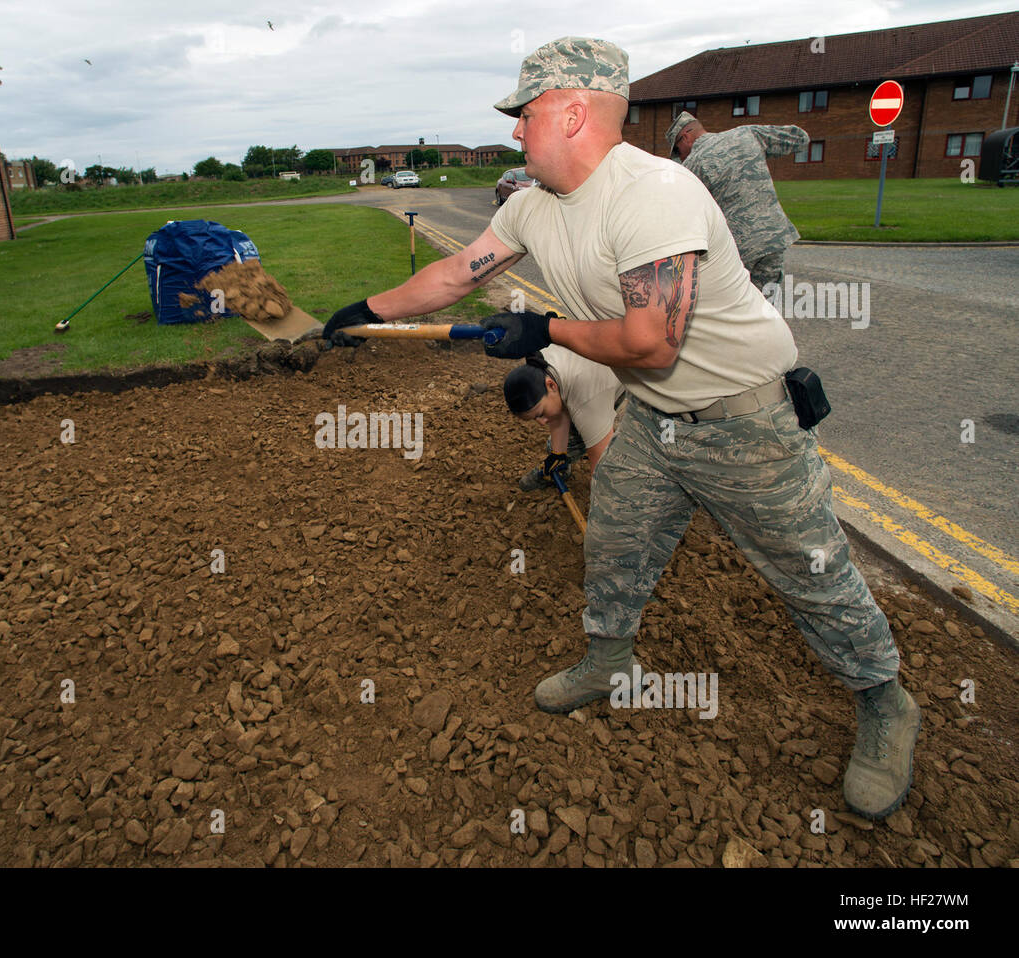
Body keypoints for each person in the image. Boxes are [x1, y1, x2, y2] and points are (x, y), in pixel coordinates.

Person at [323, 38, 917, 821]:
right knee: (615, 539)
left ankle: (883, 701)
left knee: (810, 574)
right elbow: (455, 273)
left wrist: (545, 328)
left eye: (524, 115)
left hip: (746, 422)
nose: (514, 134)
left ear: (573, 112)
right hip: (657, 420)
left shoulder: (654, 193)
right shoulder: (531, 205)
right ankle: (609, 661)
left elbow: (650, 342)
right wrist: (369, 311)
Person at [666, 112, 808, 291]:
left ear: (685, 137)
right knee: (767, 305)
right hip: (773, 238)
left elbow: (682, 214)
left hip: (739, 250)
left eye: (678, 151)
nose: (681, 157)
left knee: (739, 306)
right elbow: (800, 138)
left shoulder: (692, 165)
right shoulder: (746, 134)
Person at [503, 343, 624, 492]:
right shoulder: (540, 365)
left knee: (621, 460)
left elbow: (601, 468)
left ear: (551, 386)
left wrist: (600, 508)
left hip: (641, 379)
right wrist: (558, 455)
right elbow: (558, 406)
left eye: (540, 414)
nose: (541, 423)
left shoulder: (587, 400)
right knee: (557, 446)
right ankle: (562, 466)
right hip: (596, 368)